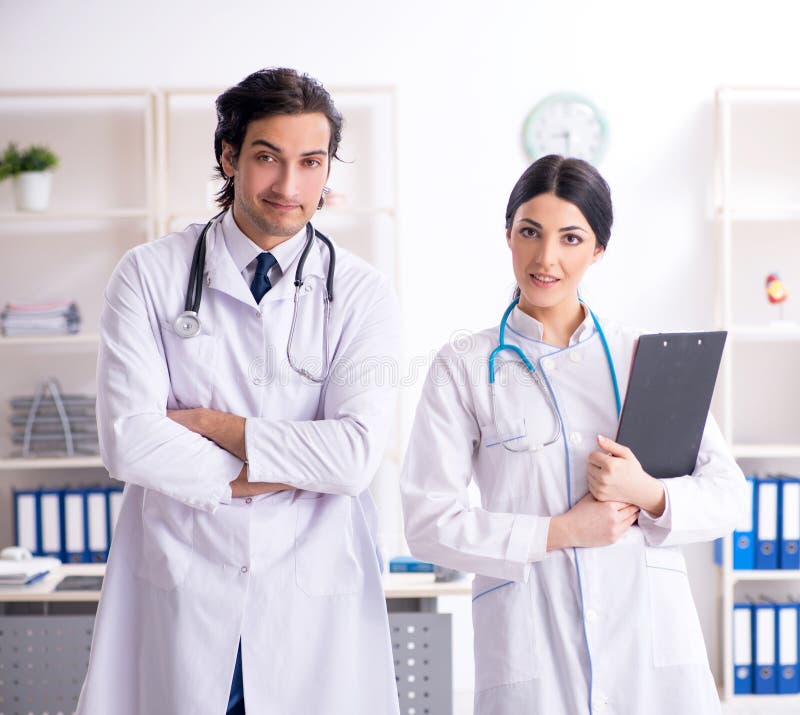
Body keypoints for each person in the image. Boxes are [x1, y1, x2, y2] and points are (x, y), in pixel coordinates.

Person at [77, 68, 401, 715]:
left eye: (311, 162)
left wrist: (210, 425)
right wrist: (288, 467)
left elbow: (354, 457)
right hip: (184, 585)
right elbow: (129, 441)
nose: (289, 185)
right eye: (266, 158)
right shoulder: (149, 275)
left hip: (308, 599)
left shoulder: (362, 293)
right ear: (228, 157)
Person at [400, 155, 746, 715]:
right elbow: (427, 523)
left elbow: (730, 496)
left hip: (650, 657)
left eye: (571, 237)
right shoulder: (463, 365)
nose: (546, 258)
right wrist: (558, 532)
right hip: (533, 657)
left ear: (598, 250)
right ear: (507, 234)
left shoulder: (644, 355)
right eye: (530, 232)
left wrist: (648, 492)